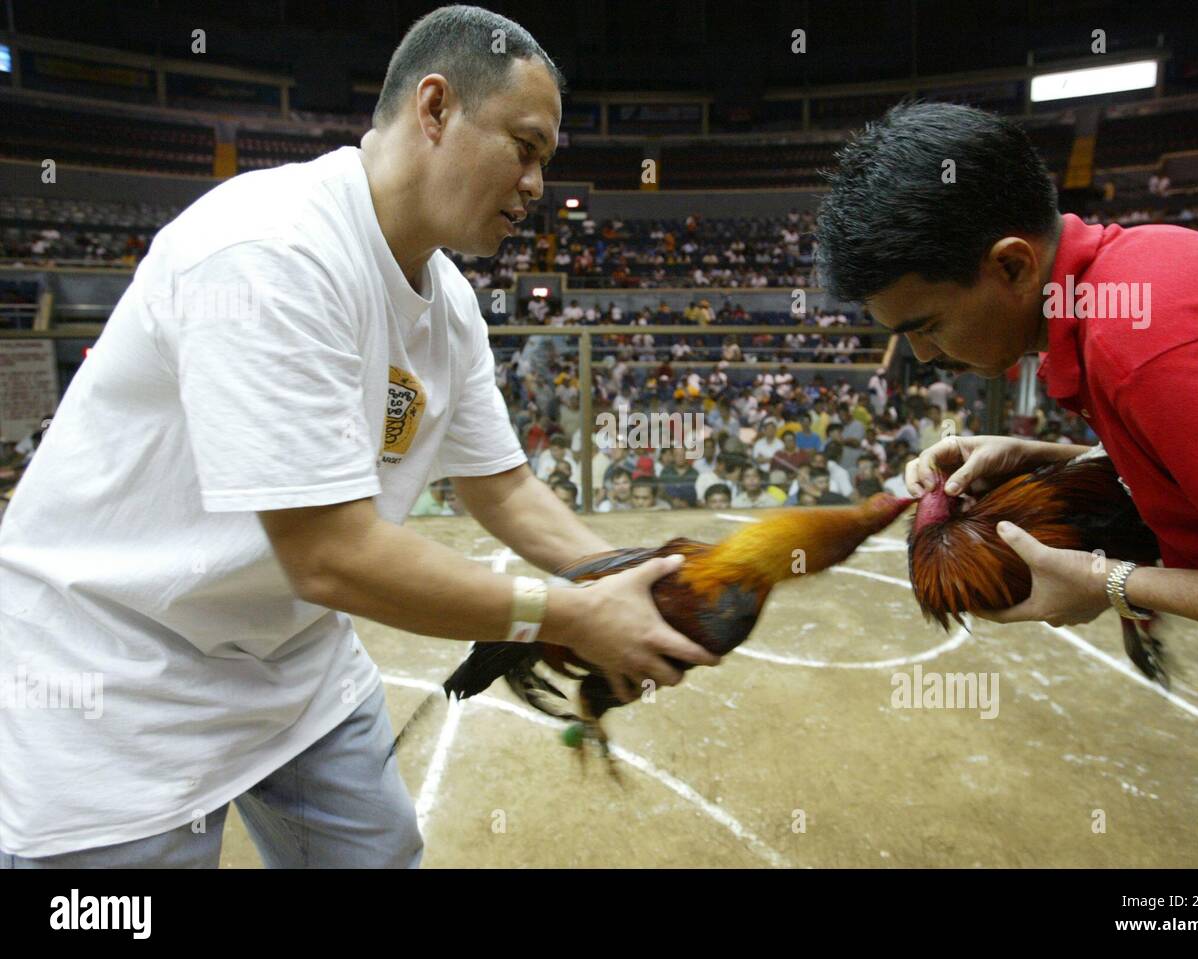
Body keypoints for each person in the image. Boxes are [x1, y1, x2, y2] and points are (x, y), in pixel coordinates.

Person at [0, 5, 720, 869]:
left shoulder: (449, 303)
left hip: (291, 662)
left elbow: (504, 488)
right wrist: (571, 615)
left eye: (543, 162)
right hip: (116, 668)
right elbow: (329, 554)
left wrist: (626, 581)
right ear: (435, 108)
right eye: (524, 148)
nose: (535, 184)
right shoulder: (269, 252)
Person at [817, 99, 1198, 869]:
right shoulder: (1128, 285)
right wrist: (1044, 453)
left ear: (1011, 265)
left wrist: (1113, 582)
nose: (925, 354)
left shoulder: (1149, 344)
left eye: (929, 323)